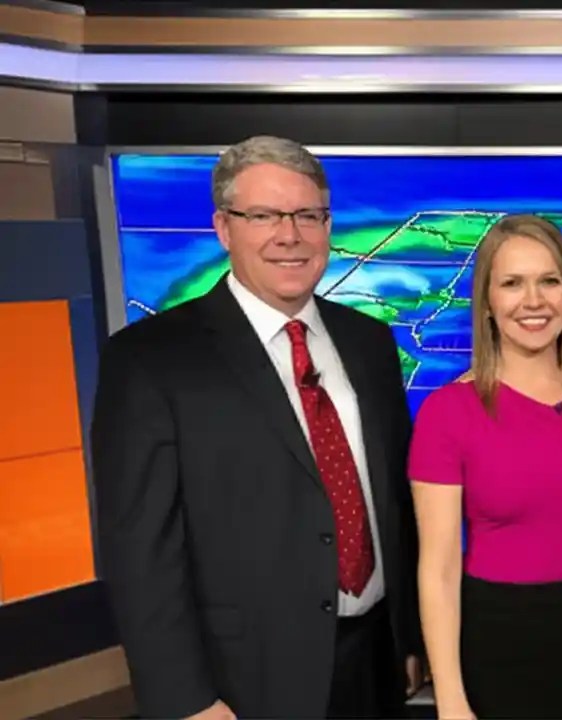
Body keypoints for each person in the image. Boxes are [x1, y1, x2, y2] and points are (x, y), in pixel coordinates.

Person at [90, 136, 425, 719]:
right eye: (264, 216)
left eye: (307, 216)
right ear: (224, 228)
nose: (289, 235)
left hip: (374, 660)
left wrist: (408, 636)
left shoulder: (368, 342)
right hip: (243, 681)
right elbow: (138, 553)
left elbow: (392, 503)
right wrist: (184, 699)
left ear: (327, 225)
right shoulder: (150, 360)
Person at [408, 214, 562, 720]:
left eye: (549, 281)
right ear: (486, 302)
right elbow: (437, 571)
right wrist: (452, 701)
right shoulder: (447, 412)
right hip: (500, 645)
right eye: (512, 284)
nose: (533, 301)